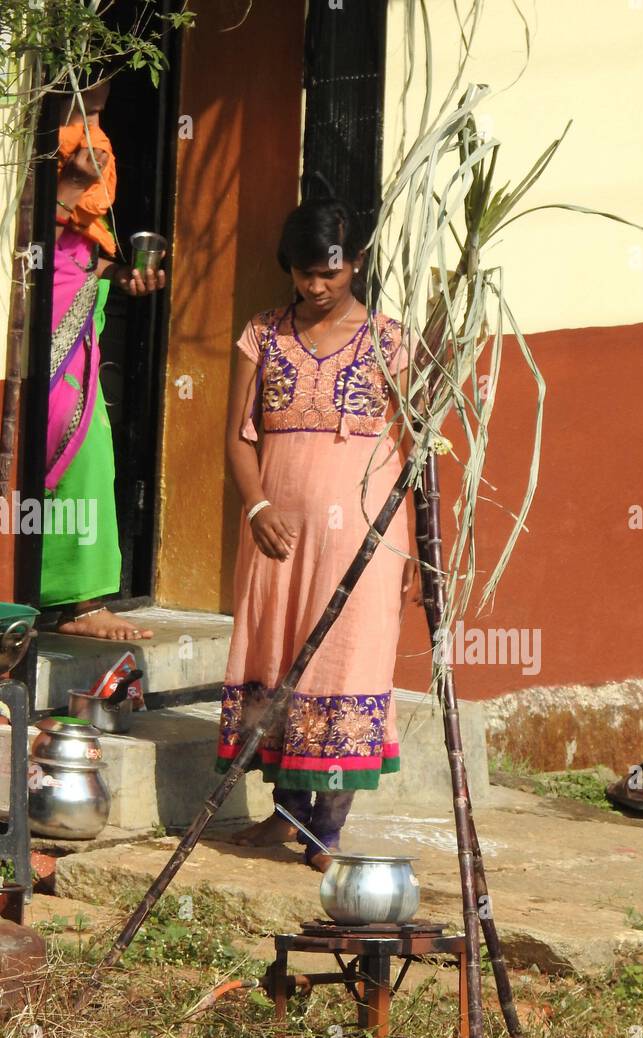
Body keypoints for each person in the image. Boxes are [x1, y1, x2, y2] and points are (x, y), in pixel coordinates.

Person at [218, 189, 420, 870]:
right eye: (304, 273)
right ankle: (282, 816)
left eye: (328, 273)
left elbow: (417, 448)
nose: (315, 286)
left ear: (355, 264)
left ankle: (324, 831)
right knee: (278, 661)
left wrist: (418, 549)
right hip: (277, 536)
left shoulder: (390, 341)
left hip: (361, 543)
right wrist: (255, 508)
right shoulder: (262, 334)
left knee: (343, 664)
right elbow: (238, 438)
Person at [42, 80, 162, 642]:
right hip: (35, 332)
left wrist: (124, 274)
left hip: (78, 333)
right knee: (51, 452)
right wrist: (68, 184)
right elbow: (32, 236)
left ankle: (81, 602)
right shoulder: (38, 150)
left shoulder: (93, 149)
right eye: (85, 107)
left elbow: (82, 256)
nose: (95, 127)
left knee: (91, 457)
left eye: (102, 110)